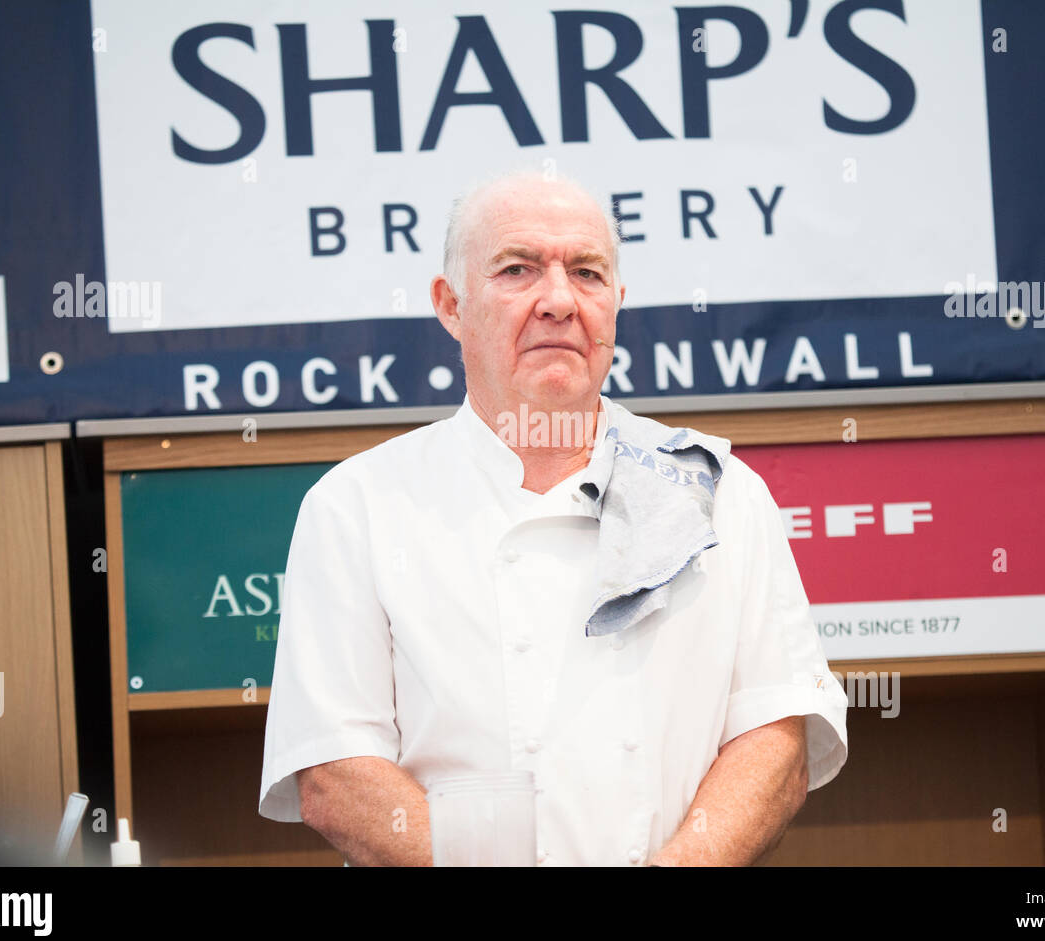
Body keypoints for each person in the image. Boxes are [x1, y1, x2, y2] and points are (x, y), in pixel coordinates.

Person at [258, 169, 848, 866]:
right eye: (518, 269)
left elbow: (776, 740)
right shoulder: (357, 505)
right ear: (451, 305)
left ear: (617, 303)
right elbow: (335, 771)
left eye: (589, 273)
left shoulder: (719, 493)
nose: (560, 301)